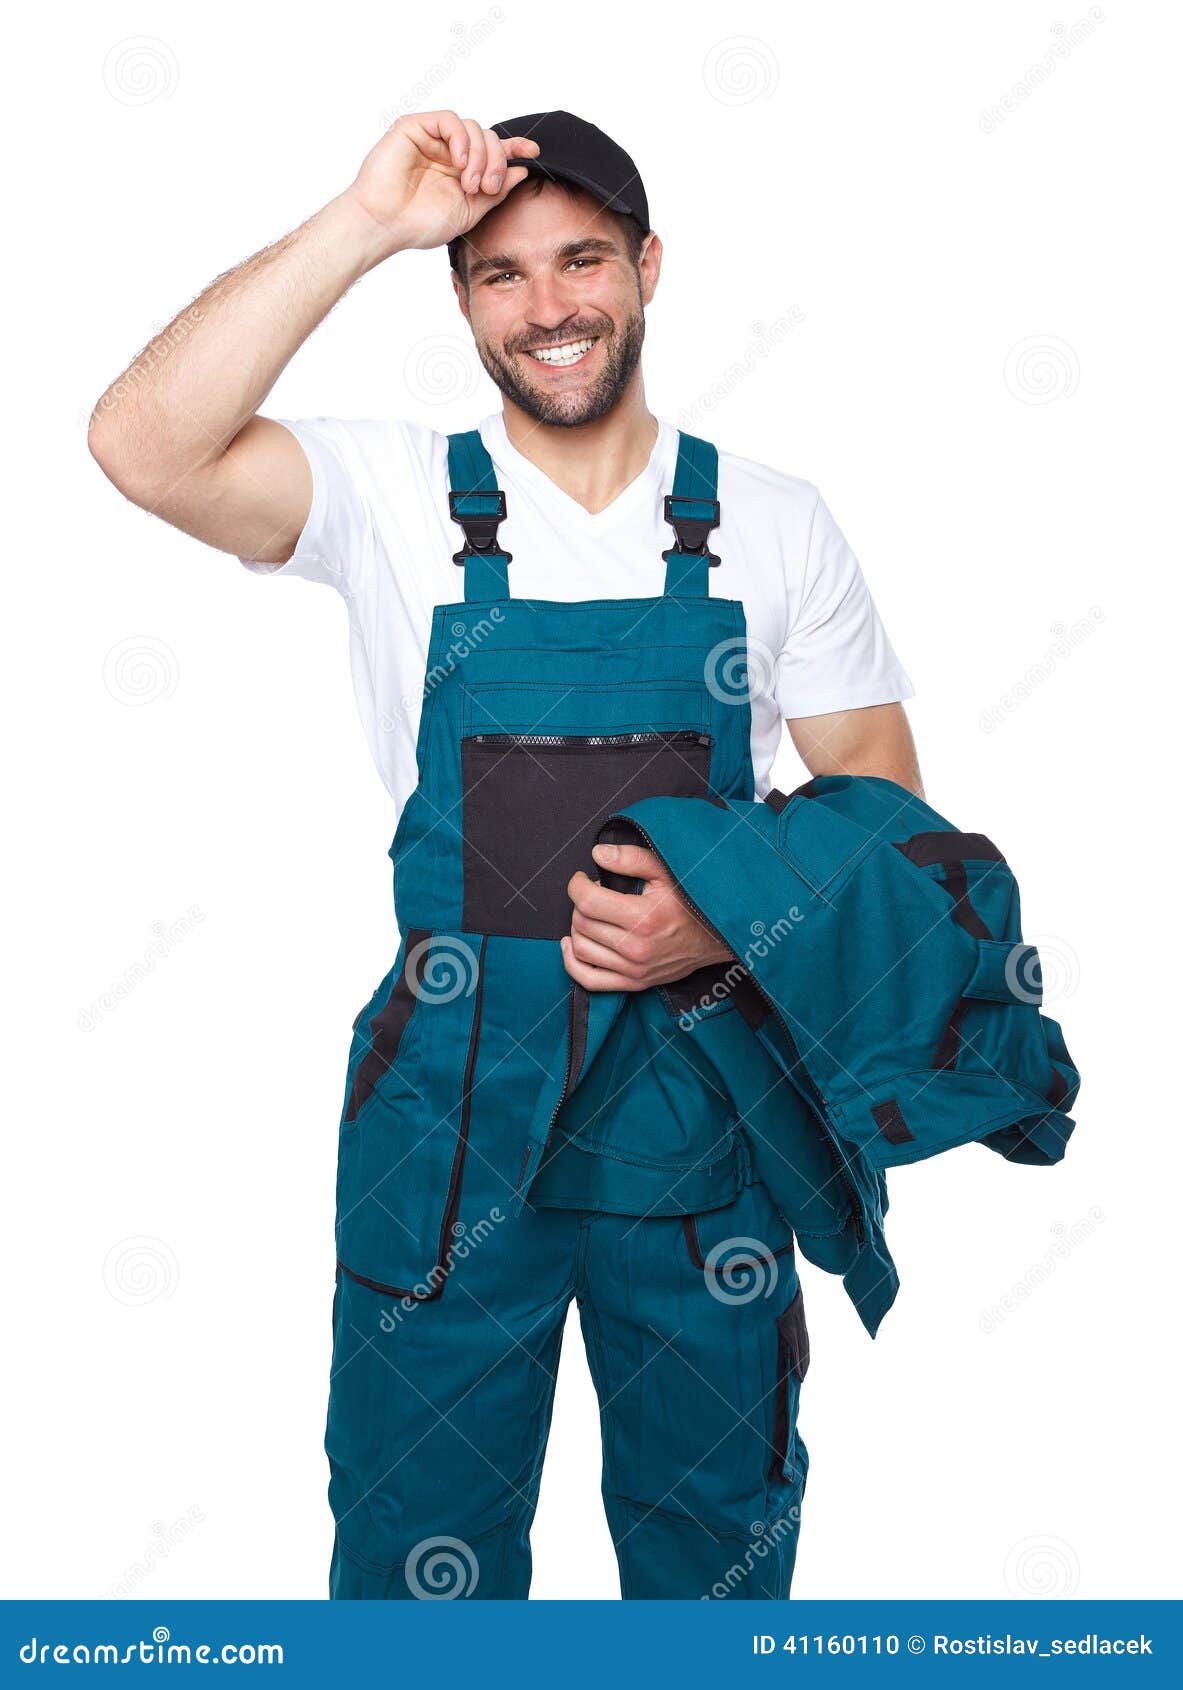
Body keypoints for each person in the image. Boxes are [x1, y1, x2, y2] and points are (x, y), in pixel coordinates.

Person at [90, 108, 921, 1601]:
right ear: (462, 298)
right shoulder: (390, 496)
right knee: (419, 1571)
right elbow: (141, 446)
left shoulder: (773, 523)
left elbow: (885, 815)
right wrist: (363, 219)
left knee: (716, 1567)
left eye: (582, 259)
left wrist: (722, 915)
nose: (549, 307)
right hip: (449, 1120)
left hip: (700, 1112)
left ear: (648, 268)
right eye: (500, 274)